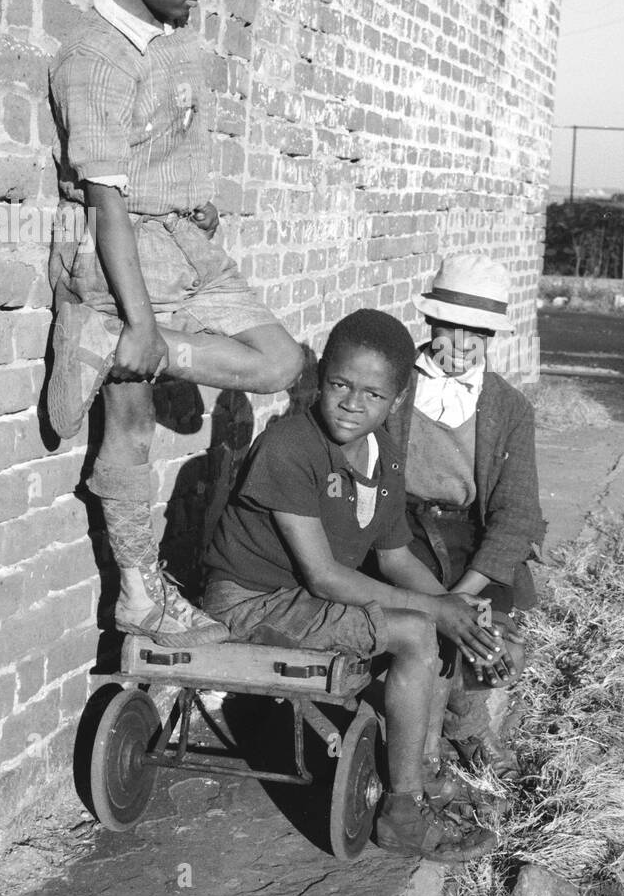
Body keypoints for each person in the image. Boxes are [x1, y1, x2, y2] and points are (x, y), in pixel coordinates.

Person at [46, 0, 304, 648]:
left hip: (185, 247)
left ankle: (109, 346)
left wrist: (195, 199)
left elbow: (165, 155)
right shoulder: (93, 59)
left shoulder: (176, 43)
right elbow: (106, 204)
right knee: (126, 428)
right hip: (120, 254)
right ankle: (140, 594)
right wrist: (144, 322)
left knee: (281, 363)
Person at [202, 310, 502, 862]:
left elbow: (393, 559)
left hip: (305, 599)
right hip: (249, 601)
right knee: (416, 633)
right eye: (340, 385)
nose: (351, 403)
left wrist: (452, 602)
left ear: (395, 401)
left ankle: (423, 768)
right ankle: (403, 814)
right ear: (320, 379)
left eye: (372, 394)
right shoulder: (290, 445)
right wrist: (432, 612)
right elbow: (323, 574)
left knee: (440, 620)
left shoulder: (384, 453)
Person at [386, 254, 546, 784]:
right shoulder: (394, 385)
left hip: (466, 538)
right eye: (449, 329)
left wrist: (469, 589)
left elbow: (516, 514)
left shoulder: (509, 408)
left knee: (481, 630)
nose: (459, 345)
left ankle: (469, 724)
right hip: (394, 532)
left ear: (491, 338)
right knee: (415, 621)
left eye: (475, 335)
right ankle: (412, 741)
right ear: (429, 324)